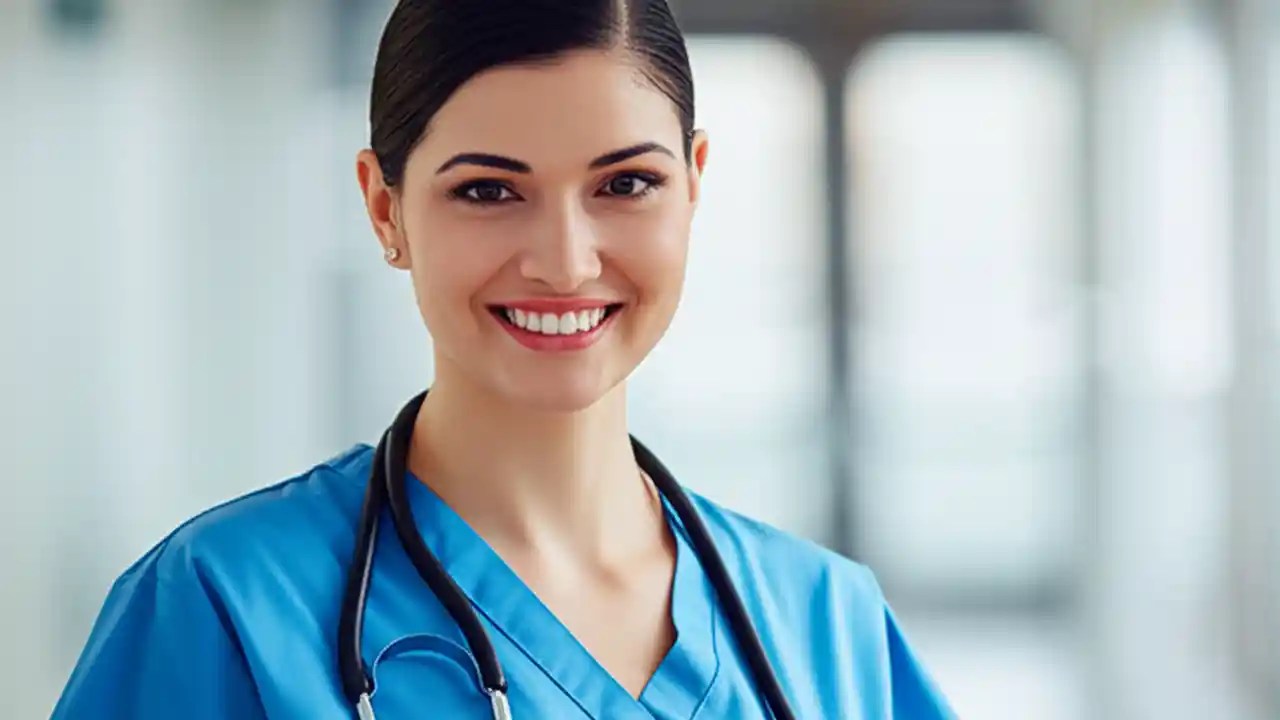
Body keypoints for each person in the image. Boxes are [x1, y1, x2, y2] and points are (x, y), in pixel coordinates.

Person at [52, 1, 956, 718]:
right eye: (488, 190)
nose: (564, 261)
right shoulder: (227, 610)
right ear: (384, 210)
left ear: (695, 185)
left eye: (626, 184)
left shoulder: (825, 625)